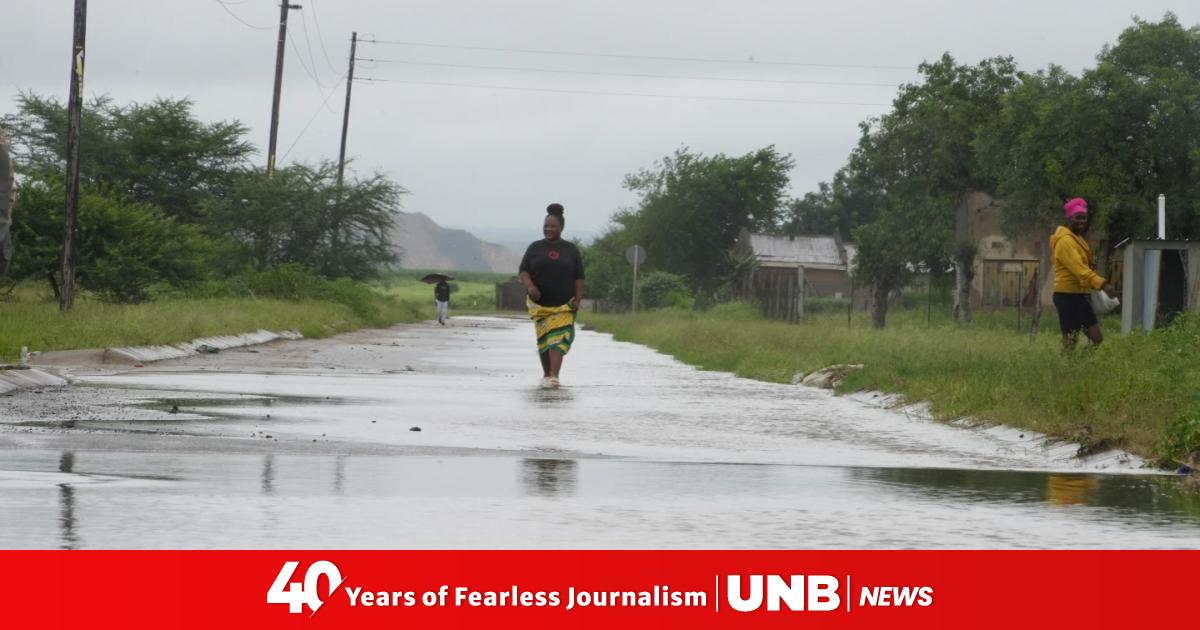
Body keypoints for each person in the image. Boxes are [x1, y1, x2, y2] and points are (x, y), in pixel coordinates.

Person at [518, 203, 585, 388]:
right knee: (544, 340)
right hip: (540, 305)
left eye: (553, 226)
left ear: (561, 228)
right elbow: (523, 270)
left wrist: (577, 299)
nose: (549, 229)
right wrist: (530, 286)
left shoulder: (571, 249)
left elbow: (579, 277)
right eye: (546, 226)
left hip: (564, 304)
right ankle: (547, 374)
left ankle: (555, 376)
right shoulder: (535, 247)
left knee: (558, 338)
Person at [1050, 197, 1116, 349]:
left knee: (1097, 338)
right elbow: (1080, 269)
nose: (1082, 221)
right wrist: (1103, 284)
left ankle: (1082, 364)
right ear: (1069, 217)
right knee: (1071, 340)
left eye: (1084, 217)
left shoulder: (1077, 239)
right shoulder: (1065, 241)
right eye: (1078, 217)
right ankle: (1068, 368)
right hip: (1066, 295)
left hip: (1079, 294)